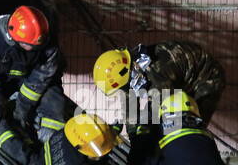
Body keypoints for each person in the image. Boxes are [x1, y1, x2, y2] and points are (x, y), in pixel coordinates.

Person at [0, 6, 68, 165]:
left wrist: (22, 108)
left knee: (54, 107)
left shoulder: (47, 44)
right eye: (29, 46)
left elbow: (39, 80)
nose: (35, 49)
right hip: (1, 80)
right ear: (14, 38)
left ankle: (55, 150)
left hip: (34, 81)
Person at [93, 41, 226, 124]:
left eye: (122, 87)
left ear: (127, 75)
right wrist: (130, 123)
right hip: (181, 77)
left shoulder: (157, 74)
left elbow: (159, 114)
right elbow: (130, 105)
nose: (123, 91)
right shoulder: (135, 65)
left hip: (206, 76)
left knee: (192, 124)